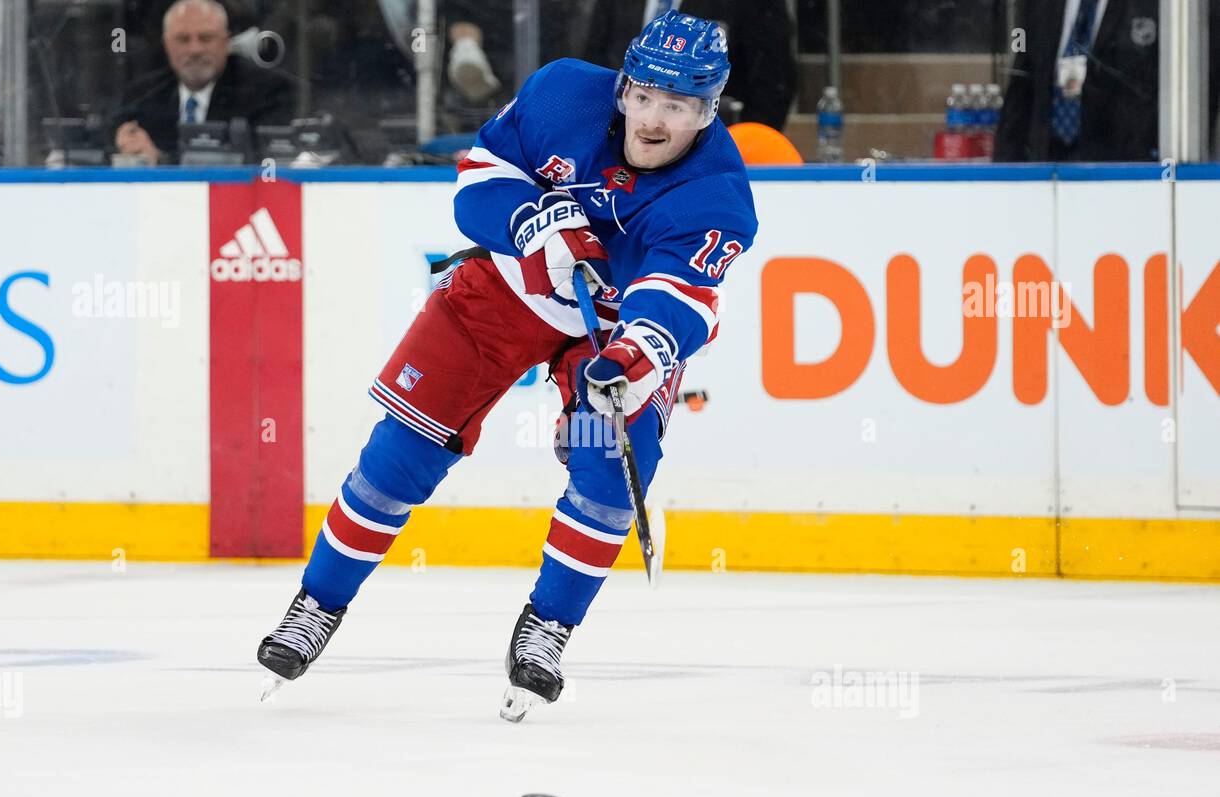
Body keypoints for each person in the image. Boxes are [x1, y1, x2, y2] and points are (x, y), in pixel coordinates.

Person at [255, 11, 758, 721]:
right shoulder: (561, 96)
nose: (652, 119)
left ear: (707, 112)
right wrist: (534, 222)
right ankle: (315, 606)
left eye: (676, 106)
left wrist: (627, 361)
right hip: (505, 293)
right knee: (402, 453)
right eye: (643, 95)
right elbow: (478, 180)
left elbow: (677, 302)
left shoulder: (717, 196)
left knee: (610, 474)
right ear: (622, 87)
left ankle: (547, 627)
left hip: (606, 337)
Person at [995, 0, 1220, 162]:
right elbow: (1021, 88)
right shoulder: (1039, 5)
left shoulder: (1173, 8)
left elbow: (1200, 93)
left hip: (1129, 175)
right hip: (1047, 169)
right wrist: (1004, 174)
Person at [110, 0, 294, 163]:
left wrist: (162, 160)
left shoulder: (266, 91)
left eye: (206, 38)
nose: (195, 49)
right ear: (167, 44)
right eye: (183, 39)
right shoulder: (142, 95)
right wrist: (127, 144)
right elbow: (103, 147)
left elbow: (258, 159)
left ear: (225, 42)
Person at [582, 0, 796, 130]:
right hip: (620, 142)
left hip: (709, 152)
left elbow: (773, 86)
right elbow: (595, 65)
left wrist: (729, 147)